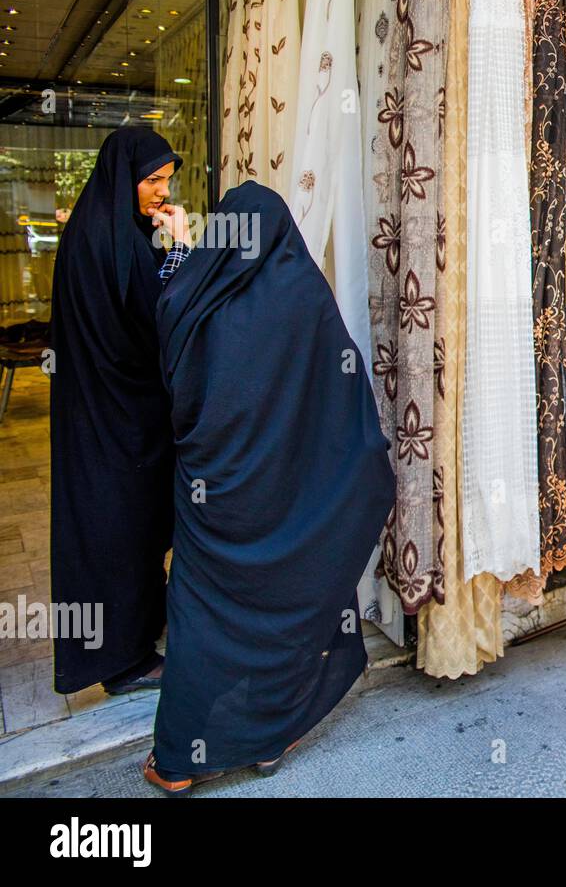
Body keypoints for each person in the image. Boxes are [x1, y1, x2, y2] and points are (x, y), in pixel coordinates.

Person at [143, 182, 395, 794]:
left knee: (203, 615)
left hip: (215, 495)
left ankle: (179, 762)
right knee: (288, 605)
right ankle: (273, 733)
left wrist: (179, 250)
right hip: (285, 495)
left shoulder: (195, 296)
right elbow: (344, 394)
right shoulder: (304, 293)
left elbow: (170, 333)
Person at [50, 127, 190, 697]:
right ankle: (122, 662)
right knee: (120, 531)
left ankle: (125, 645)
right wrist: (179, 249)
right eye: (151, 179)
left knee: (119, 528)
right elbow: (161, 315)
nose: (160, 191)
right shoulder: (110, 241)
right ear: (123, 176)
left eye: (166, 180)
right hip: (115, 420)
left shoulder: (102, 230)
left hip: (103, 413)